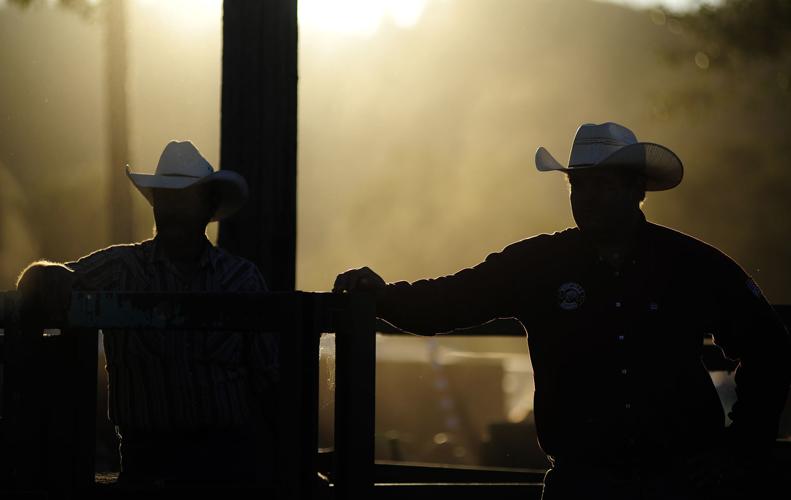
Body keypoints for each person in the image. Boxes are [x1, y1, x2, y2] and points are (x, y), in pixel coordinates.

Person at [333, 122, 791, 499]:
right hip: (589, 482)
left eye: (601, 185)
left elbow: (769, 346)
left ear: (635, 190)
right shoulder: (543, 264)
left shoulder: (689, 264)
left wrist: (741, 448)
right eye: (578, 184)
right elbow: (451, 300)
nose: (585, 197)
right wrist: (383, 295)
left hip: (674, 482)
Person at [16, 141, 279, 485]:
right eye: (165, 199)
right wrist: (44, 276)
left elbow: (271, 383)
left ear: (207, 207)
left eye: (184, 199)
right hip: (148, 463)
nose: (171, 209)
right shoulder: (121, 268)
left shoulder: (241, 280)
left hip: (228, 463)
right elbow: (46, 279)